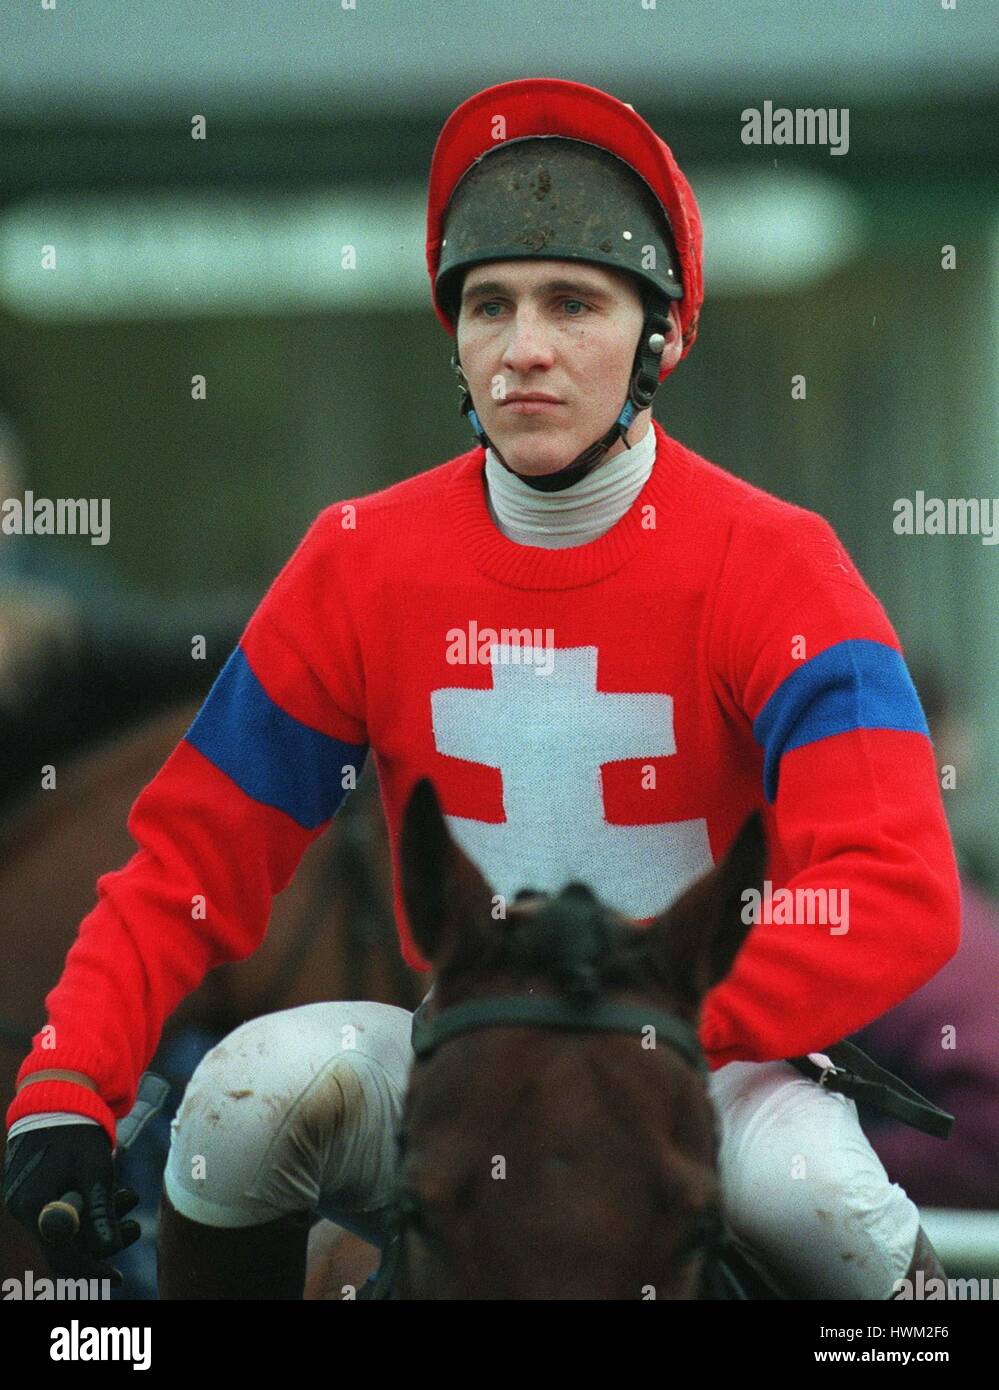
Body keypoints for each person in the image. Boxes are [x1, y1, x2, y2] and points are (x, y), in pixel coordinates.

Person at [3, 77, 960, 1299]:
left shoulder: (780, 564)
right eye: (489, 305)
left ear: (659, 333)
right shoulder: (356, 560)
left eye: (573, 303)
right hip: (460, 1051)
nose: (525, 349)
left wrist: (668, 1015)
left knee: (832, 1210)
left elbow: (898, 888)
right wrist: (65, 1082)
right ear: (453, 335)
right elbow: (188, 861)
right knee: (234, 1109)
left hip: (712, 1059)